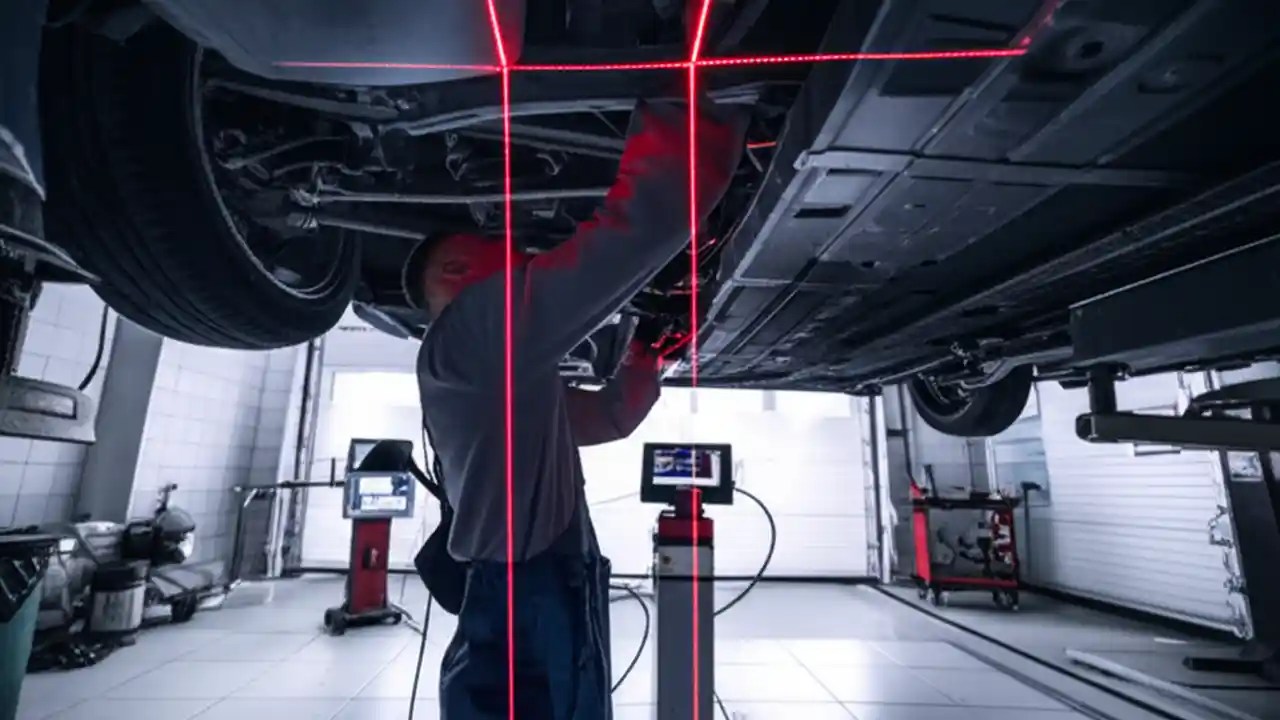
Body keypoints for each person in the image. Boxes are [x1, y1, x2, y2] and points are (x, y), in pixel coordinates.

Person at [409, 97, 748, 719]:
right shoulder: (474, 332)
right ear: (457, 270)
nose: (516, 249)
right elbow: (631, 233)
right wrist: (696, 103)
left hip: (528, 586)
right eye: (492, 244)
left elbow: (608, 418)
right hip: (528, 589)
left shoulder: (485, 365)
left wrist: (648, 353)